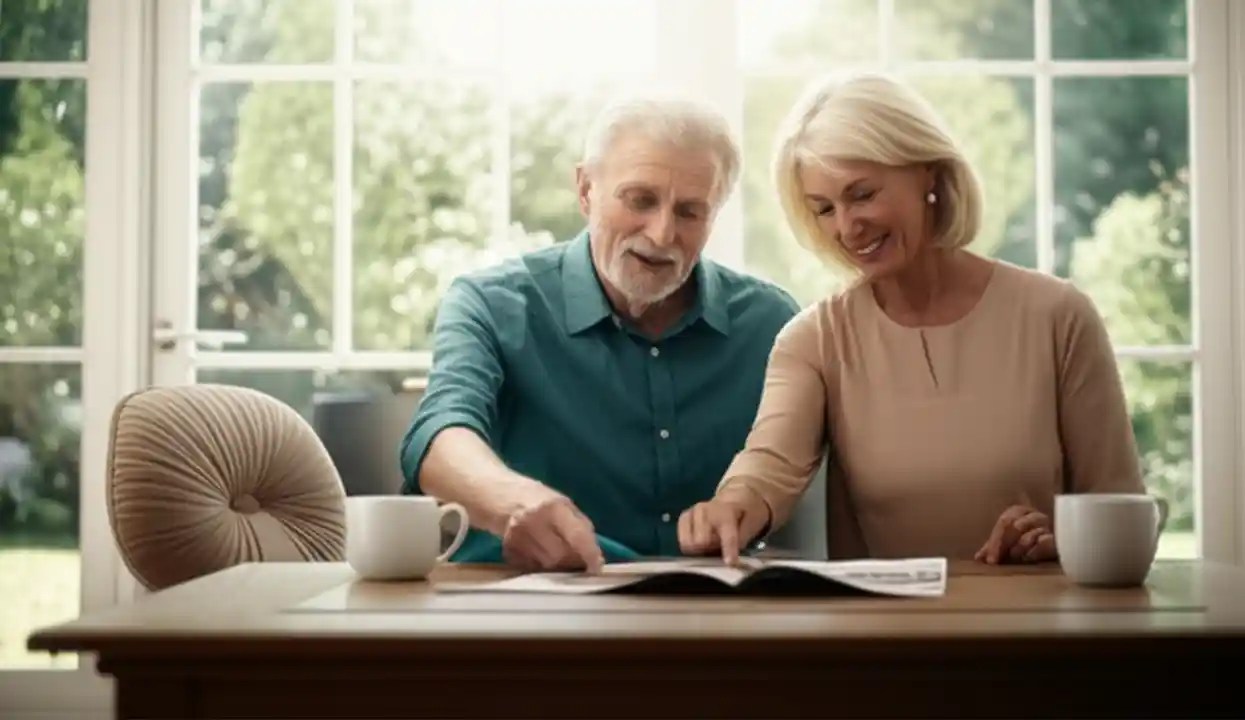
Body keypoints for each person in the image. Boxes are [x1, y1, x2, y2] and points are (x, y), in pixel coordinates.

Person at [678, 71, 1145, 566]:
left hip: (1040, 630)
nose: (847, 226)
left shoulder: (1058, 317)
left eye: (862, 195)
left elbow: (1122, 510)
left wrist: (1058, 540)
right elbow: (770, 466)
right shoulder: (814, 340)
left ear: (927, 172)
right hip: (884, 638)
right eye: (824, 208)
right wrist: (730, 507)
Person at [399, 93, 800, 572]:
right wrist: (510, 500)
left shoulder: (770, 323)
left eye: (690, 212)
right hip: (526, 611)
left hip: (703, 618)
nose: (660, 234)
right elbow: (439, 437)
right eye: (640, 200)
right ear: (586, 189)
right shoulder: (490, 304)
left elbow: (796, 465)